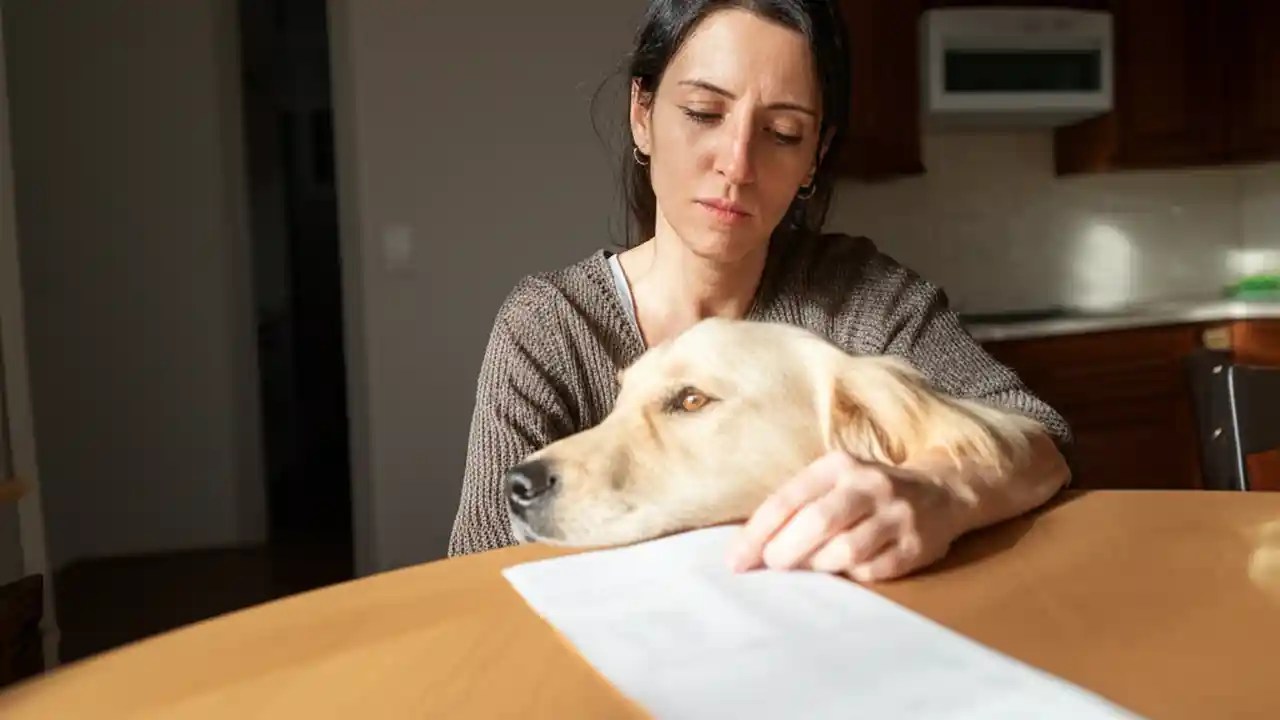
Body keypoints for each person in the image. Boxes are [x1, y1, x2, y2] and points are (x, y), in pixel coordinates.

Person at [448, 0, 1072, 582]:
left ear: (814, 158)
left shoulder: (861, 297)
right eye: (702, 113)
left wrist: (943, 493)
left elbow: (1037, 438)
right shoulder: (550, 324)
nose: (737, 164)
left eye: (782, 133)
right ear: (643, 116)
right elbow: (473, 577)